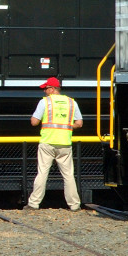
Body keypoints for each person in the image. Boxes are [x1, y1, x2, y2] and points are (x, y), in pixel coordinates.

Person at [25, 77, 82, 211]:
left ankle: (33, 204)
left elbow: (34, 122)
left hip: (48, 143)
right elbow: (79, 123)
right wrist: (67, 126)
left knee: (42, 173)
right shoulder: (72, 102)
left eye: (46, 88)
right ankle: (74, 205)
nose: (44, 91)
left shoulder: (45, 102)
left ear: (52, 89)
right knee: (68, 175)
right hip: (65, 143)